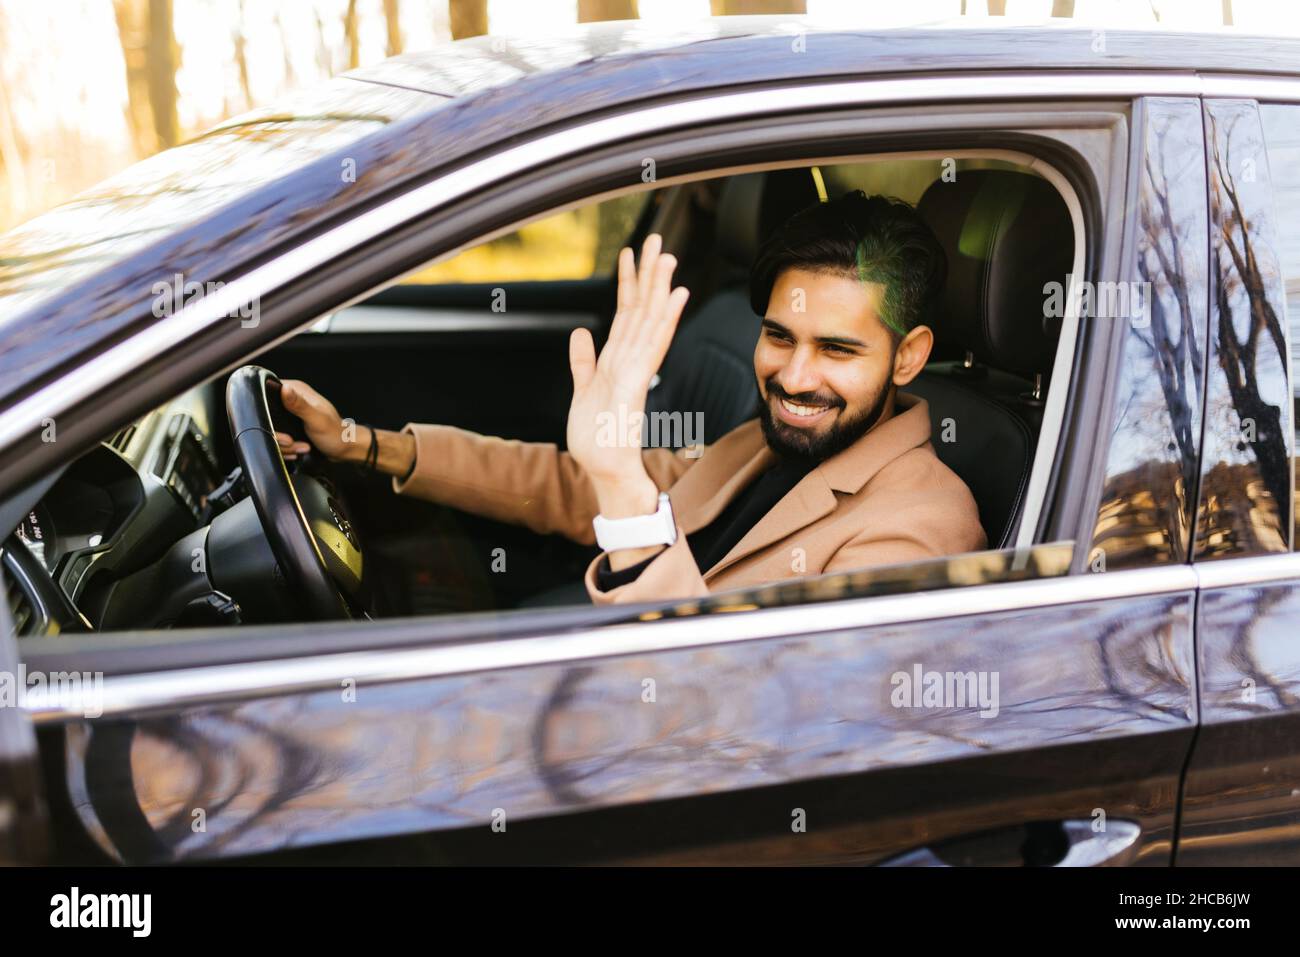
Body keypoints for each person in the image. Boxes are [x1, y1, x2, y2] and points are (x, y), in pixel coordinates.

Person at [276, 190, 986, 605]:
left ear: (910, 356)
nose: (795, 377)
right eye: (779, 336)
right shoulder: (763, 446)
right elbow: (568, 486)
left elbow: (757, 721)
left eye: (837, 349)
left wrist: (622, 481)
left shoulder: (922, 528)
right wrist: (363, 445)